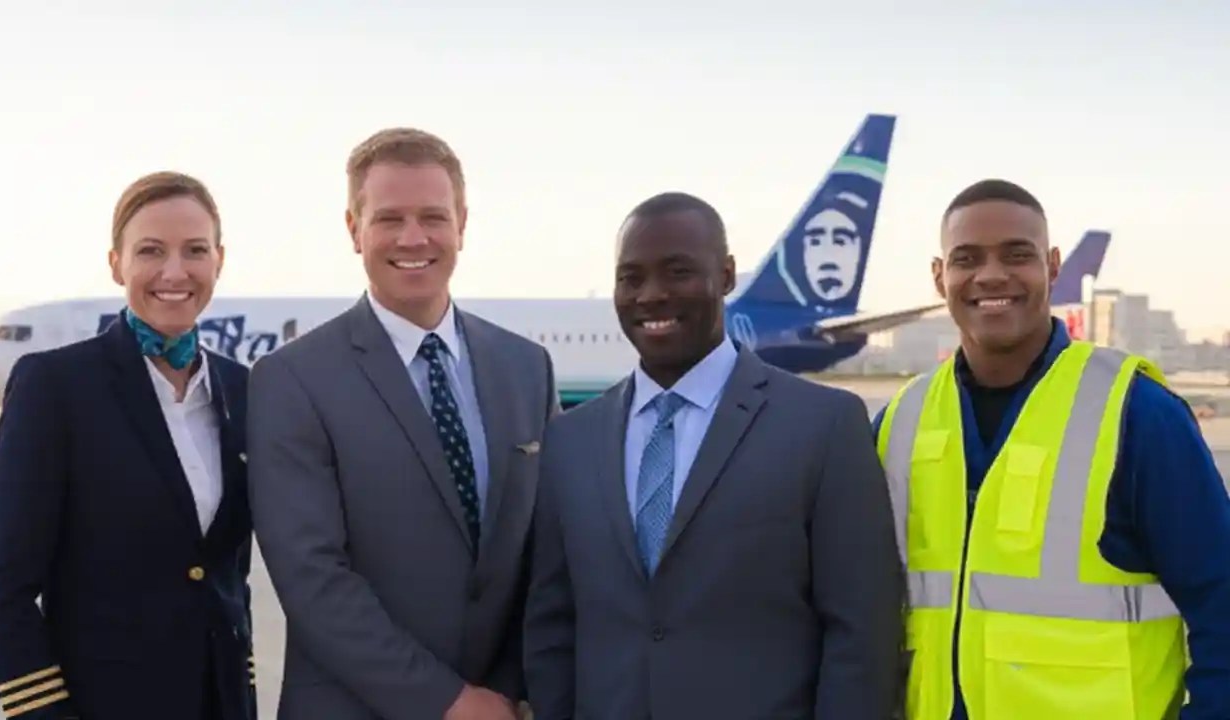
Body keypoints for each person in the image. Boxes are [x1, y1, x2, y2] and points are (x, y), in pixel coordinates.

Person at [523, 191, 904, 719]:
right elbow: (552, 625)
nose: (651, 295)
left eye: (677, 271)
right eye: (631, 278)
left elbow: (862, 631)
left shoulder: (824, 426)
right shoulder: (571, 441)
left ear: (725, 276)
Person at [873, 178, 1230, 719]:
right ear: (939, 275)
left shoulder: (1136, 412)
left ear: (1053, 265)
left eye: (1017, 255)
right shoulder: (899, 420)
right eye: (967, 258)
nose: (991, 275)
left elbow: (1220, 602)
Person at [247, 127, 558, 720]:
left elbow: (549, 552)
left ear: (462, 223)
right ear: (353, 229)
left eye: (433, 217)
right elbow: (313, 577)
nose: (413, 238)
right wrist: (447, 702)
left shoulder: (526, 369)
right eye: (389, 218)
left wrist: (519, 689)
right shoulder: (293, 379)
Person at [0, 171, 257, 720]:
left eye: (194, 251)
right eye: (151, 251)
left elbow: (228, 579)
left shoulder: (242, 390)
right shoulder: (55, 388)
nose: (174, 272)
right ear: (116, 263)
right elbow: (5, 595)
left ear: (218, 261)